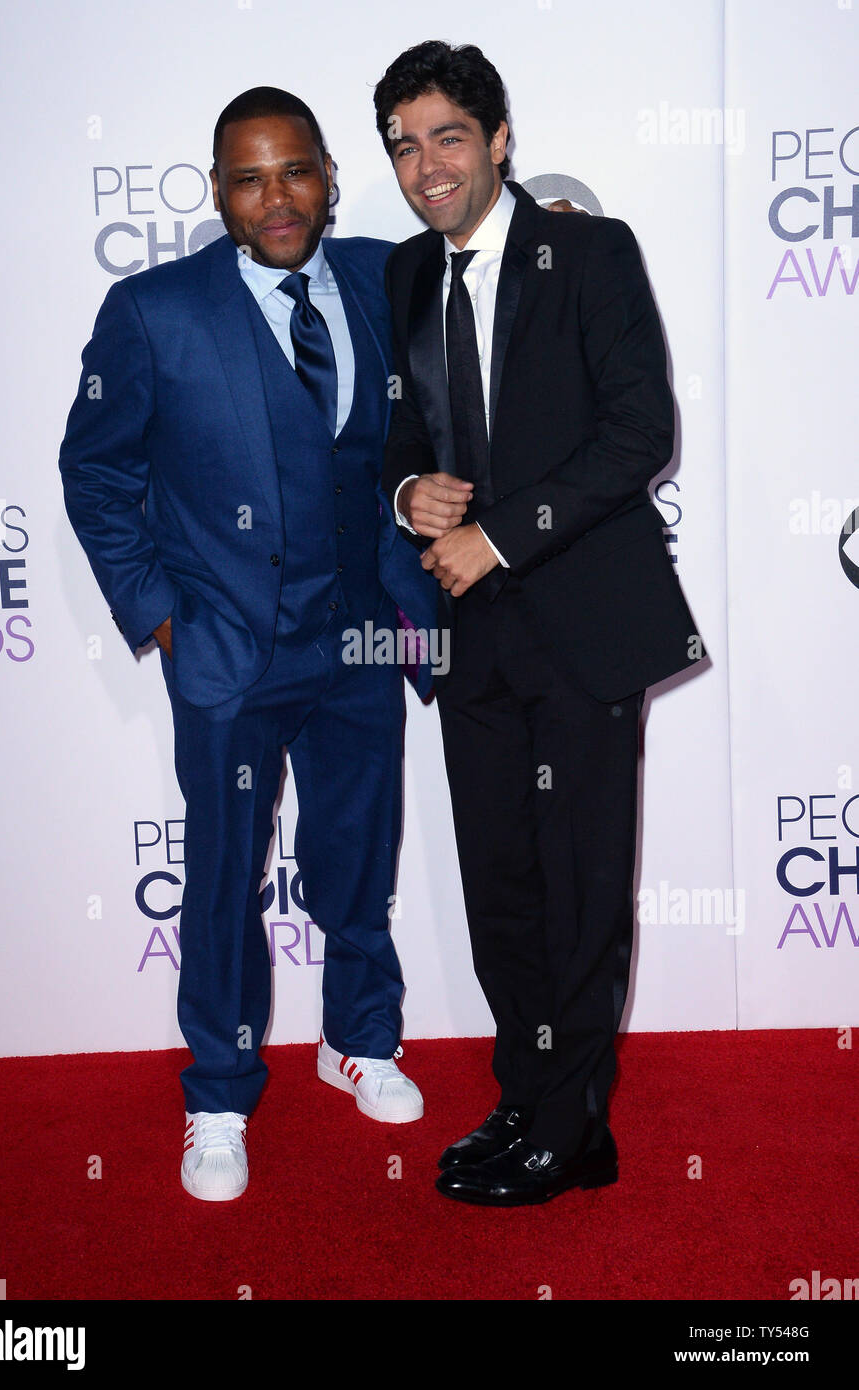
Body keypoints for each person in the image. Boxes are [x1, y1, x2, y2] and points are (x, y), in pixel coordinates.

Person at [59, 87, 439, 1203]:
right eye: (247, 177)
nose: (276, 198)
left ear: (327, 174)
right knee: (226, 873)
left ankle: (358, 1036)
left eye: (294, 172)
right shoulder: (152, 311)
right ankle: (219, 1089)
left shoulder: (381, 277)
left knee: (357, 852)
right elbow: (96, 470)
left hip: (359, 632)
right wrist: (156, 610)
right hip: (226, 646)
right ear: (218, 191)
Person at [374, 41, 706, 1206]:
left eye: (447, 137)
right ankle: (534, 1101)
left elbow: (638, 434)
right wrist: (407, 496)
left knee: (579, 884)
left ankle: (571, 1123)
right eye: (405, 146)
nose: (426, 166)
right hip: (468, 634)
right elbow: (404, 436)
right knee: (501, 879)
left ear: (499, 140)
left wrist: (500, 534)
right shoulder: (407, 277)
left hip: (579, 618)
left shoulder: (591, 252)